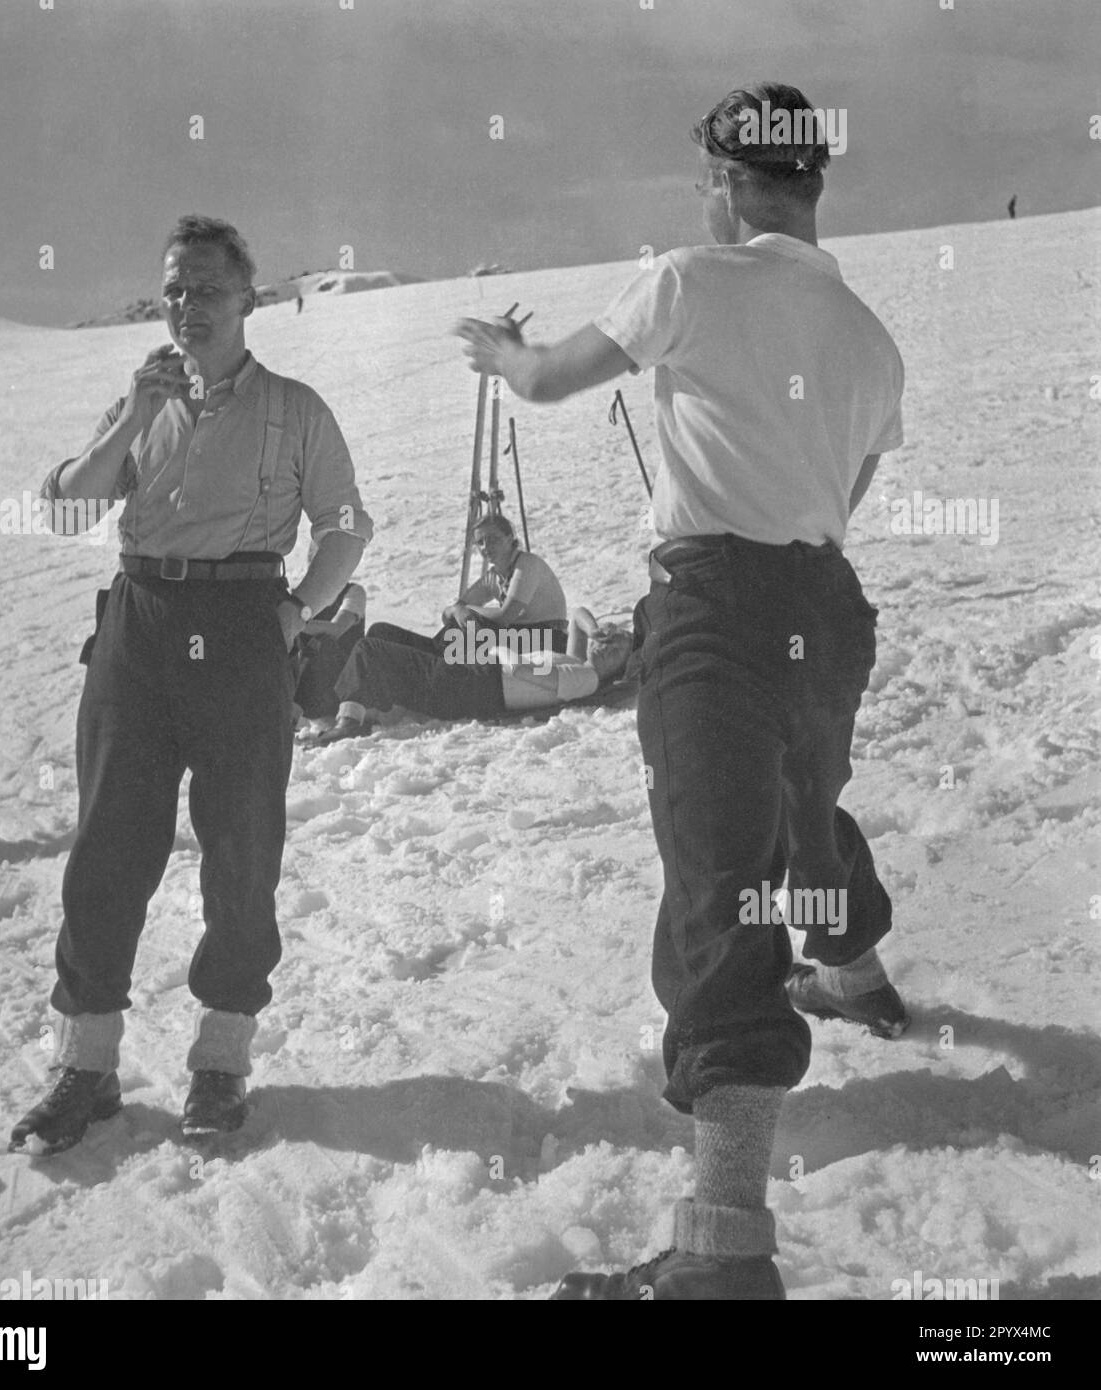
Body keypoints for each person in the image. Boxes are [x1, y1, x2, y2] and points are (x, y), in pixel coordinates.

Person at [455, 83, 907, 1300]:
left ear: (726, 180)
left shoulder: (688, 281)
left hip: (714, 607)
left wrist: (502, 353)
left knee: (723, 884)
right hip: (825, 604)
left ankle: (722, 1252)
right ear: (809, 183)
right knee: (797, 818)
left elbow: (550, 380)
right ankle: (858, 971)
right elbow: (850, 488)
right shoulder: (870, 335)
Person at [11, 215, 373, 1154]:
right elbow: (67, 510)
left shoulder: (297, 408)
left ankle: (221, 1063)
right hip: (138, 626)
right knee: (106, 848)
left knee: (241, 848)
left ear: (249, 299)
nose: (187, 306)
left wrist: (297, 612)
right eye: (174, 289)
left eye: (207, 289)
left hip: (247, 625)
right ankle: (85, 1067)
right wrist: (134, 415)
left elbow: (344, 525)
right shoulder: (144, 399)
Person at [309, 608, 632, 743]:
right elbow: (577, 616)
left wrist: (494, 647)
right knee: (384, 635)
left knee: (372, 650)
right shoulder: (576, 663)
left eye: (614, 651)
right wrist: (594, 628)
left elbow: (521, 669)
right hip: (477, 676)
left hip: (475, 684)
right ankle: (345, 706)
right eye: (605, 642)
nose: (603, 648)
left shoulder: (585, 679)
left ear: (616, 669)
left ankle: (347, 720)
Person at [369, 513, 570, 656]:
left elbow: (504, 617)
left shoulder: (527, 565)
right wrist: (459, 611)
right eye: (480, 542)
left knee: (470, 625)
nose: (486, 547)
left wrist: (465, 612)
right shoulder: (495, 575)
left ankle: (427, 656)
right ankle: (407, 649)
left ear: (510, 538)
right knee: (462, 625)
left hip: (547, 639)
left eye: (493, 539)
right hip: (521, 638)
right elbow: (453, 610)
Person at [290, 572, 367, 724]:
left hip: (337, 682)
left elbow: (336, 629)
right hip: (305, 682)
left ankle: (291, 715)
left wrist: (292, 622)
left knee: (325, 642)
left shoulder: (354, 592)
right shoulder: (300, 595)